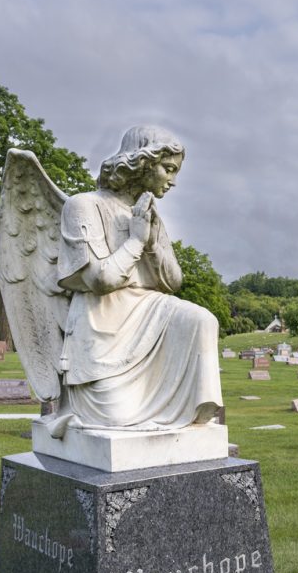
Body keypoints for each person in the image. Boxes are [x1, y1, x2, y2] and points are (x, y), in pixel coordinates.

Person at [49, 126, 222, 434]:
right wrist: (135, 241)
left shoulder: (147, 211)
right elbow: (100, 280)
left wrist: (153, 242)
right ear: (142, 163)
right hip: (101, 319)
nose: (173, 180)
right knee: (116, 423)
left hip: (149, 309)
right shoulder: (84, 205)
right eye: (168, 169)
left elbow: (173, 281)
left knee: (202, 319)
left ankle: (194, 414)